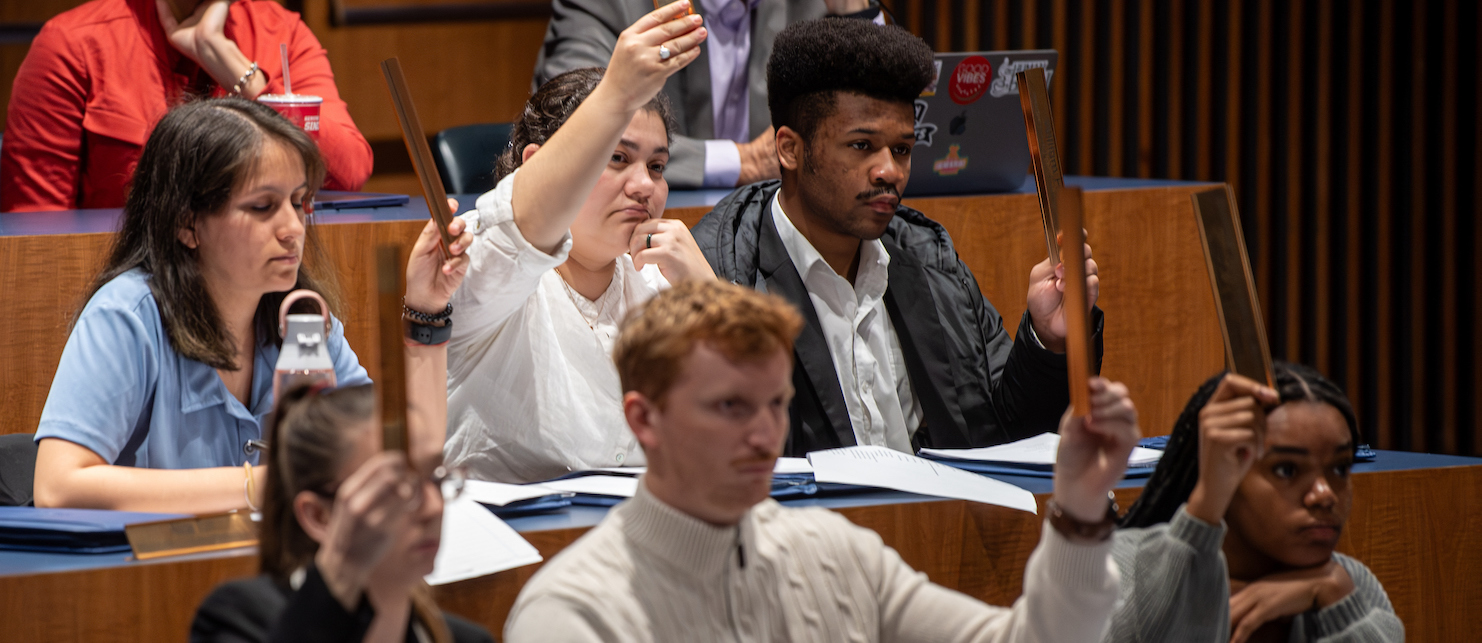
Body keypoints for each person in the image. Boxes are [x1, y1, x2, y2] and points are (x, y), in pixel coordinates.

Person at [503, 279, 1141, 642]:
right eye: (730, 407)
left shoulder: (836, 554)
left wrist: (1081, 510)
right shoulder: (572, 614)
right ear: (644, 420)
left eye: (775, 404)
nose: (764, 435)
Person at [692, 18, 1104, 456]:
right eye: (861, 146)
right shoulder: (721, 275)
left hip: (935, 520)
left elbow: (1003, 436)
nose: (890, 171)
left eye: (902, 149)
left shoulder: (930, 257)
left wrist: (1049, 342)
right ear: (790, 149)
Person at [32, 97, 419, 514]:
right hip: (153, 573)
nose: (292, 229)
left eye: (298, 202)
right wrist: (262, 485)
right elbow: (58, 486)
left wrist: (426, 314)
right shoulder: (126, 315)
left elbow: (386, 444)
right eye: (262, 207)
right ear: (187, 223)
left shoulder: (303, 316)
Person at [444, 2, 715, 484]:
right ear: (536, 164)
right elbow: (521, 224)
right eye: (615, 158)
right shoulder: (484, 265)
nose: (644, 187)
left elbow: (747, 433)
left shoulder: (662, 278)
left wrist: (712, 301)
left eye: (657, 166)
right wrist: (616, 92)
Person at [190, 212, 485, 643]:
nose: (431, 508)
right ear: (318, 514)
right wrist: (343, 570)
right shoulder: (239, 621)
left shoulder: (466, 639)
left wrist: (425, 310)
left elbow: (413, 428)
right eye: (393, 488)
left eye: (435, 480)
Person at [1109, 364, 1403, 643]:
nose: (1325, 494)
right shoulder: (1121, 569)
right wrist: (1204, 509)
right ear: (1224, 472)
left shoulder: (1347, 583)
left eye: (1339, 468)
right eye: (1287, 470)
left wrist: (1337, 598)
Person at [1, 0, 372, 212]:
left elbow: (348, 169)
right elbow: (37, 233)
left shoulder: (282, 31)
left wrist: (245, 78)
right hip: (123, 304)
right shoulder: (72, 45)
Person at [532, 0, 883, 190]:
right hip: (645, 230)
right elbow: (572, 125)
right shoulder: (612, 5)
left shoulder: (810, 5)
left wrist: (856, 11)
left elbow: (884, 132)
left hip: (778, 231)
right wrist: (743, 162)